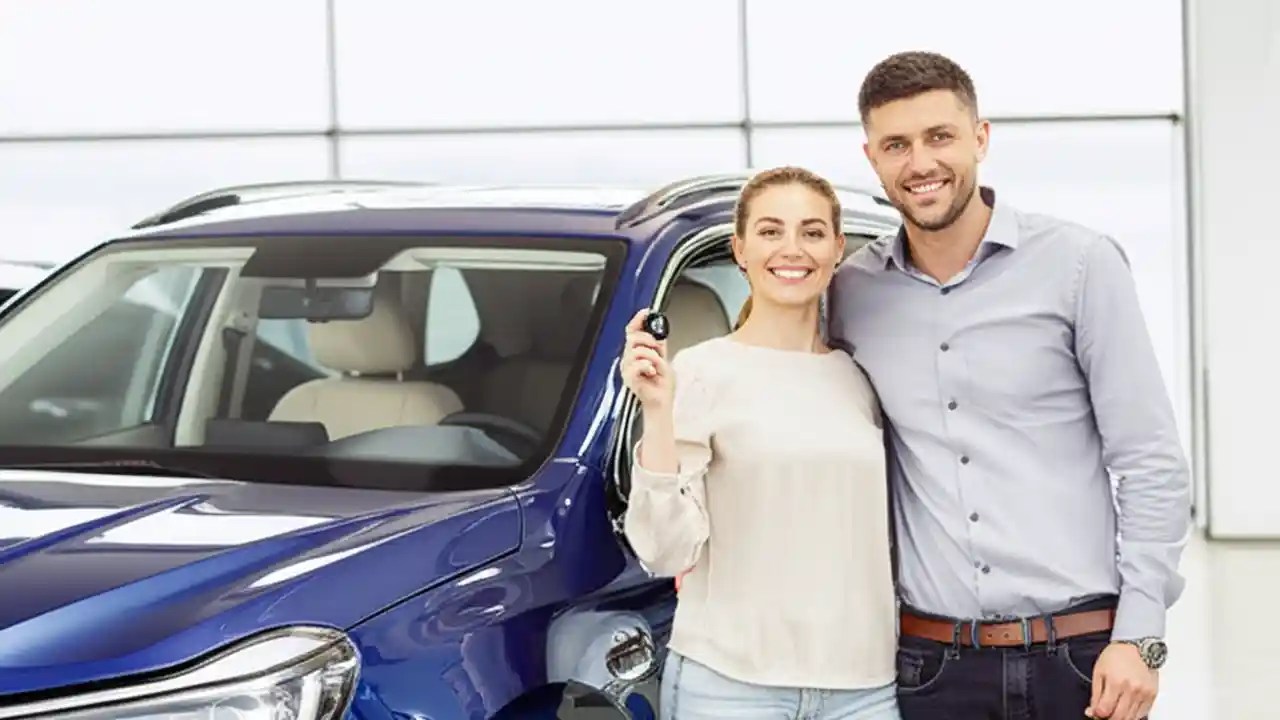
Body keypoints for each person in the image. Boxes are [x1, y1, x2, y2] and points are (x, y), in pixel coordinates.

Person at [827, 51, 1192, 720]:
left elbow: (1150, 460)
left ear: (980, 138)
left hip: (1080, 656)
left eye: (940, 137)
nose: (921, 163)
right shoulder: (851, 292)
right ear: (872, 156)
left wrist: (1141, 635)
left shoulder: (1079, 265)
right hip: (929, 666)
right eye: (896, 145)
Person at [619, 166, 901, 720]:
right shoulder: (699, 371)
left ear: (838, 249)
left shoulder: (862, 378)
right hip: (730, 686)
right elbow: (664, 551)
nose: (792, 249)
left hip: (864, 688)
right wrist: (657, 411)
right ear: (740, 249)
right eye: (771, 231)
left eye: (812, 232)